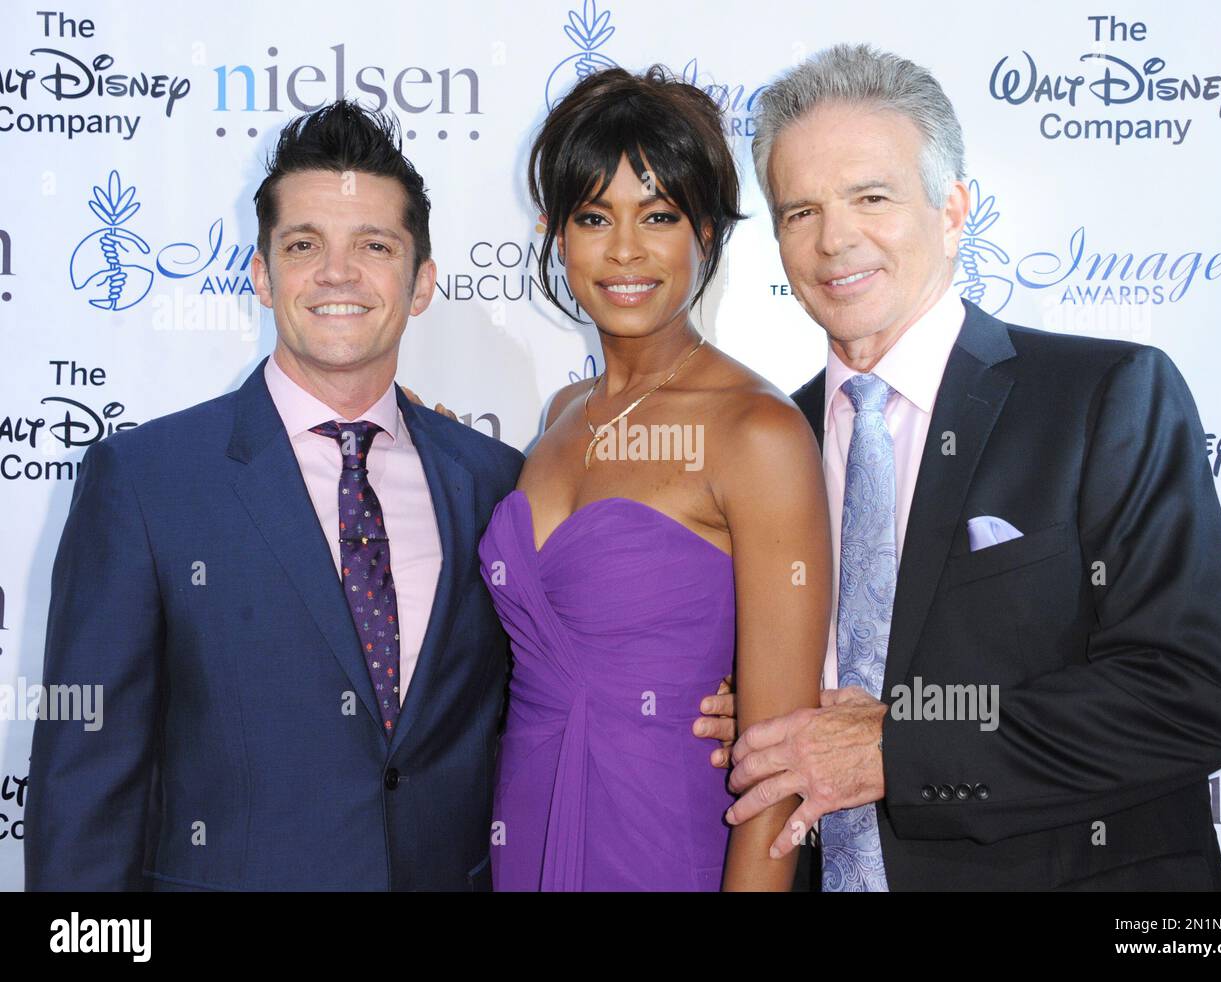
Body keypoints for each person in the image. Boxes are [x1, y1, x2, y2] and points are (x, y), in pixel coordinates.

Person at [706, 44, 1221, 890]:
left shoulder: (1105, 396)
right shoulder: (770, 441)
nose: (835, 239)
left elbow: (1195, 694)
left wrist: (893, 750)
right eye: (800, 211)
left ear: (954, 207)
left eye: (872, 197)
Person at [25, 101, 525, 890]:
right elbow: (85, 787)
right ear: (261, 275)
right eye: (303, 245)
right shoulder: (146, 482)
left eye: (374, 245)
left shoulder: (496, 481)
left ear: (421, 281)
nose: (337, 273)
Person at [478, 66, 831, 891]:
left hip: (663, 839)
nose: (626, 250)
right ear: (556, 236)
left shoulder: (759, 432)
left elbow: (778, 771)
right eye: (594, 216)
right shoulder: (563, 413)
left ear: (706, 231)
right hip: (523, 825)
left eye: (660, 216)